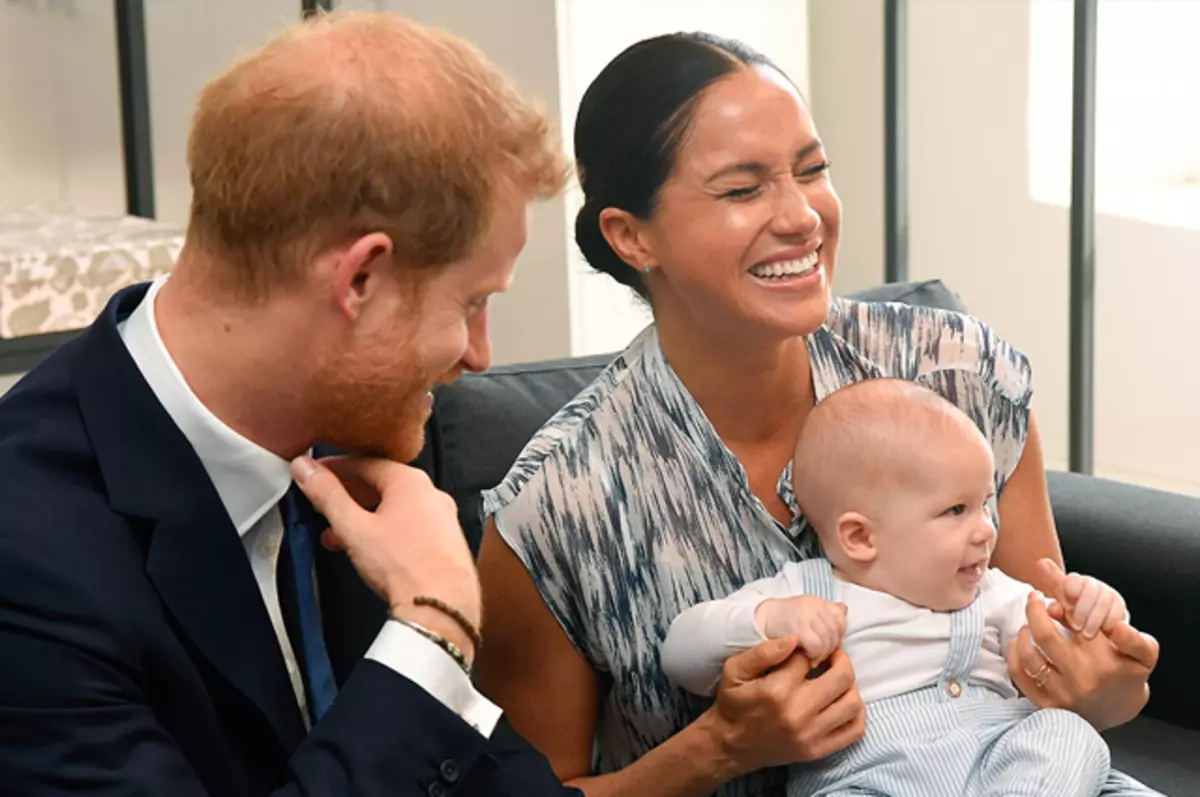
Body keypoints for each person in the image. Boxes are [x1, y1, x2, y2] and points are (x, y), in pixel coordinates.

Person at [473, 31, 1161, 797]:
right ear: (631, 236)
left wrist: (1101, 687)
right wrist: (720, 747)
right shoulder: (559, 508)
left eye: (812, 170)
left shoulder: (958, 375)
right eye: (743, 189)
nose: (802, 217)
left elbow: (1064, 670)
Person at [0, 11, 582, 796]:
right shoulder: (25, 548)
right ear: (360, 279)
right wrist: (432, 631)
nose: (479, 355)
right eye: (472, 302)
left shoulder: (377, 436)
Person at [661, 378, 1133, 797]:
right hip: (869, 778)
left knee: (1068, 733)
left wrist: (1090, 612)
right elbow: (681, 652)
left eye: (986, 504)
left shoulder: (992, 592)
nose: (987, 530)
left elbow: (1063, 653)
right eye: (956, 510)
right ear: (861, 537)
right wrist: (767, 621)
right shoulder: (803, 594)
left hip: (1008, 765)